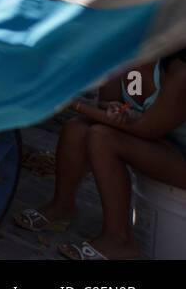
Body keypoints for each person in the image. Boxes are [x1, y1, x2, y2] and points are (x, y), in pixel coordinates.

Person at [9, 52, 186, 260]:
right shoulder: (120, 50)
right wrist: (114, 109)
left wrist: (73, 104)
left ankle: (120, 241)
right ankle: (61, 209)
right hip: (160, 142)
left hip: (178, 153)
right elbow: (107, 101)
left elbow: (147, 129)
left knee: (102, 137)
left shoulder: (180, 72)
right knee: (76, 129)